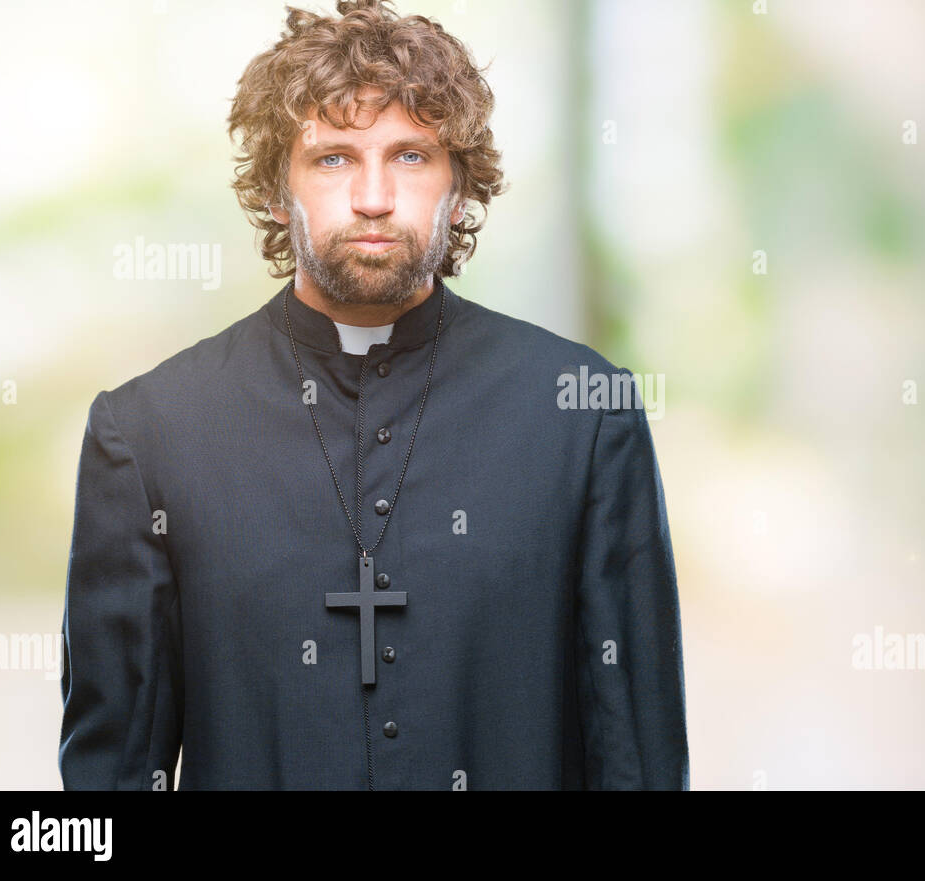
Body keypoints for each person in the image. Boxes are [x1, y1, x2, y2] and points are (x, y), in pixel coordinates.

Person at [58, 0, 688, 790]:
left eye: (411, 156)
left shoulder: (583, 414)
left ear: (458, 184)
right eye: (332, 159)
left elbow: (640, 759)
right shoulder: (148, 432)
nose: (374, 197)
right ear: (275, 182)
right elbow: (106, 788)